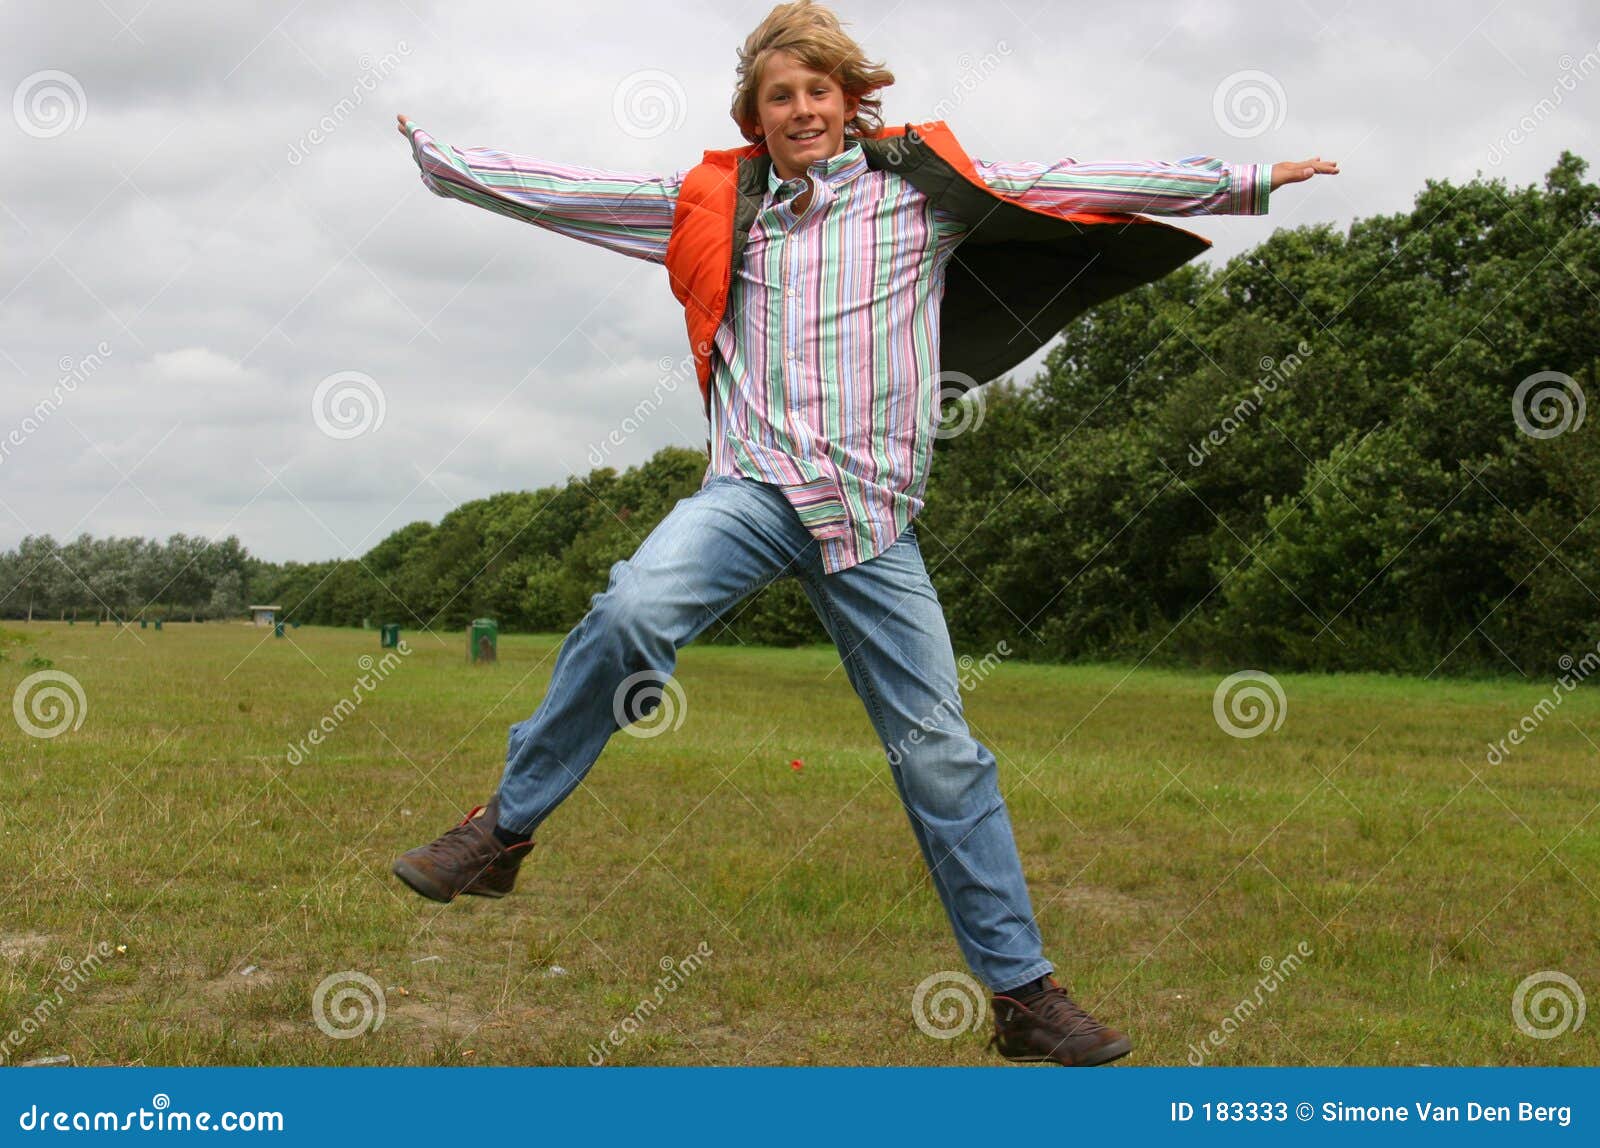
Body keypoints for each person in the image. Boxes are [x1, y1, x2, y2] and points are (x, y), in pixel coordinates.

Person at [391, 0, 1338, 1065]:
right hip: (752, 491)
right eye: (778, 96)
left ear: (850, 102)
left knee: (942, 756)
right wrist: (441, 161)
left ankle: (1023, 998)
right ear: (754, 114)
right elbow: (566, 193)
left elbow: (1072, 182)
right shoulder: (717, 203)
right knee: (633, 607)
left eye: (817, 92)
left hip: (873, 519)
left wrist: (1245, 181)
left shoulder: (917, 197)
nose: (799, 109)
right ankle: (503, 827)